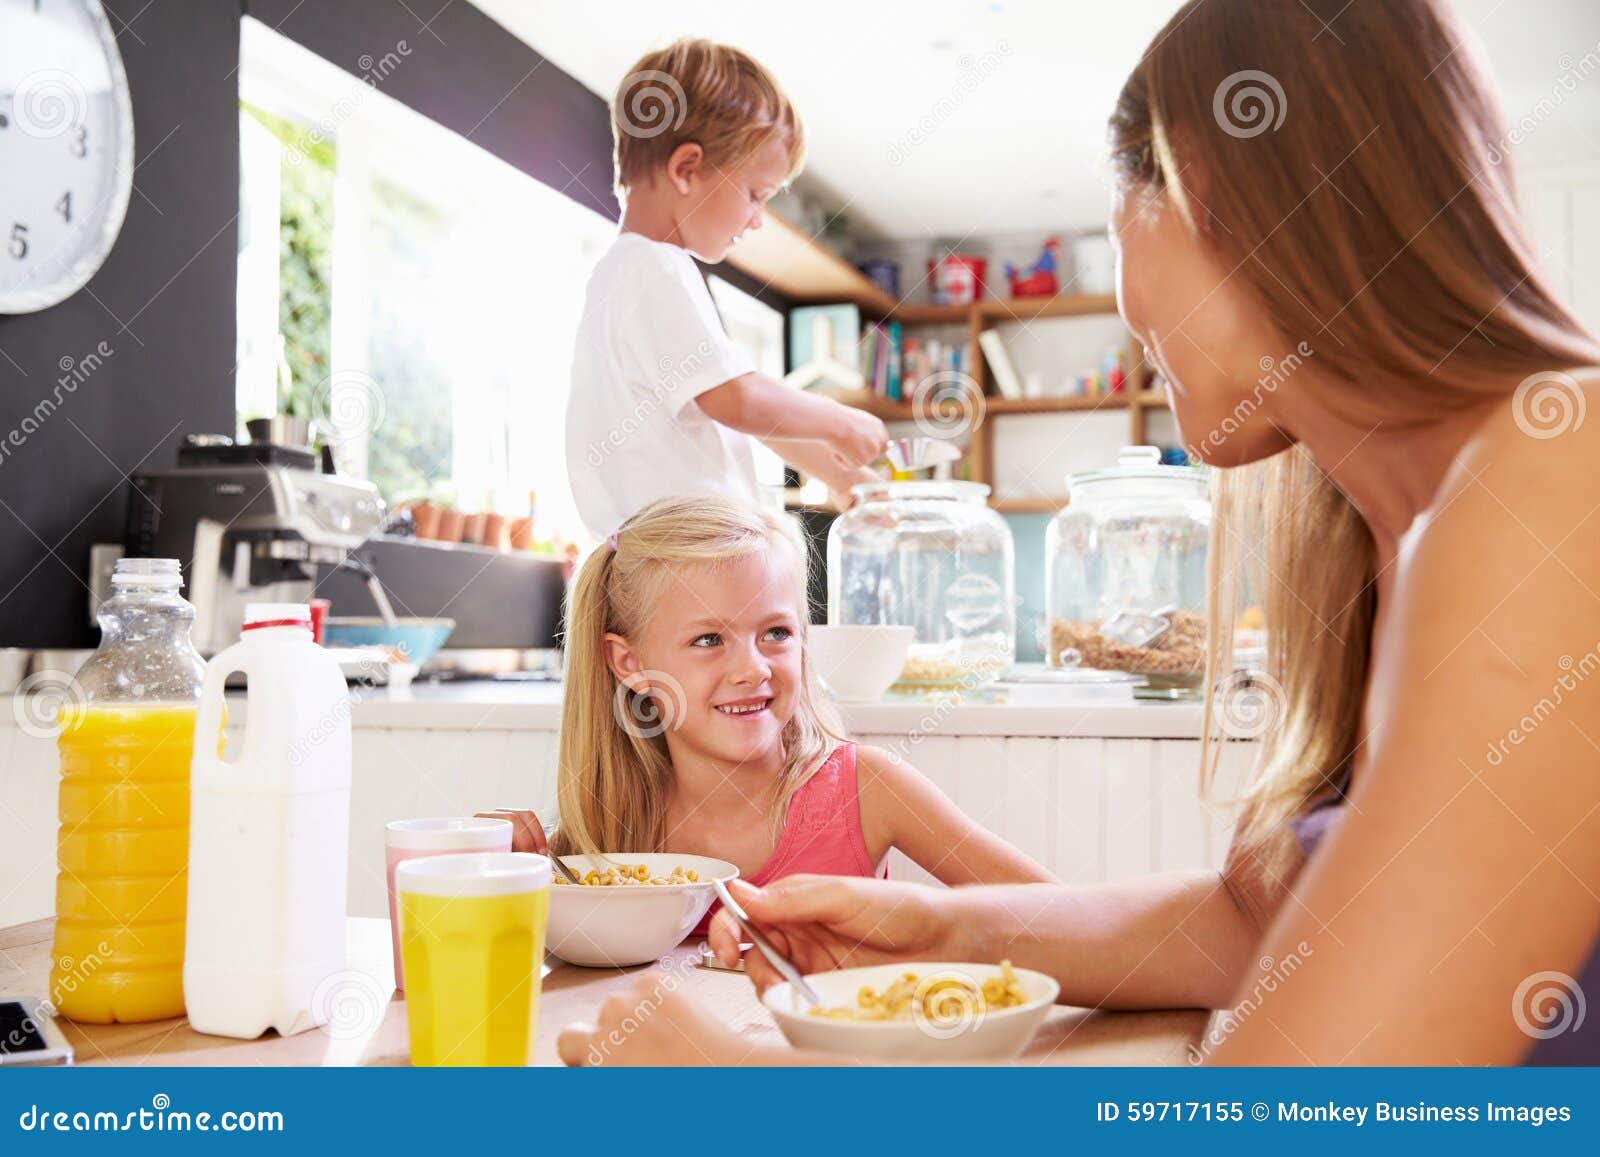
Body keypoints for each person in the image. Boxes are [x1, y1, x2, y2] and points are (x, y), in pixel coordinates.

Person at [556, 0, 1600, 1066]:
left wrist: (736, 1085)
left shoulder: (1556, 488)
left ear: (1225, 193)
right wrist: (936, 927)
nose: (1131, 309)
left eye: (1125, 208)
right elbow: (1253, 926)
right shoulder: (1392, 537)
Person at [546, 496, 1054, 937]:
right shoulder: (605, 827)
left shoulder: (867, 790)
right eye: (708, 640)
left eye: (776, 633)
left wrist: (925, 926)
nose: (752, 668)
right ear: (630, 664)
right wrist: (503, 871)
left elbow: (1064, 916)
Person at [566, 38, 888, 538]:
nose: (758, 219)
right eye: (756, 195)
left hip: (664, 551)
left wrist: (845, 477)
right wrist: (839, 422)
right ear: (686, 169)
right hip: (682, 553)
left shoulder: (635, 272)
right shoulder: (652, 268)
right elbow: (737, 399)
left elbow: (742, 408)